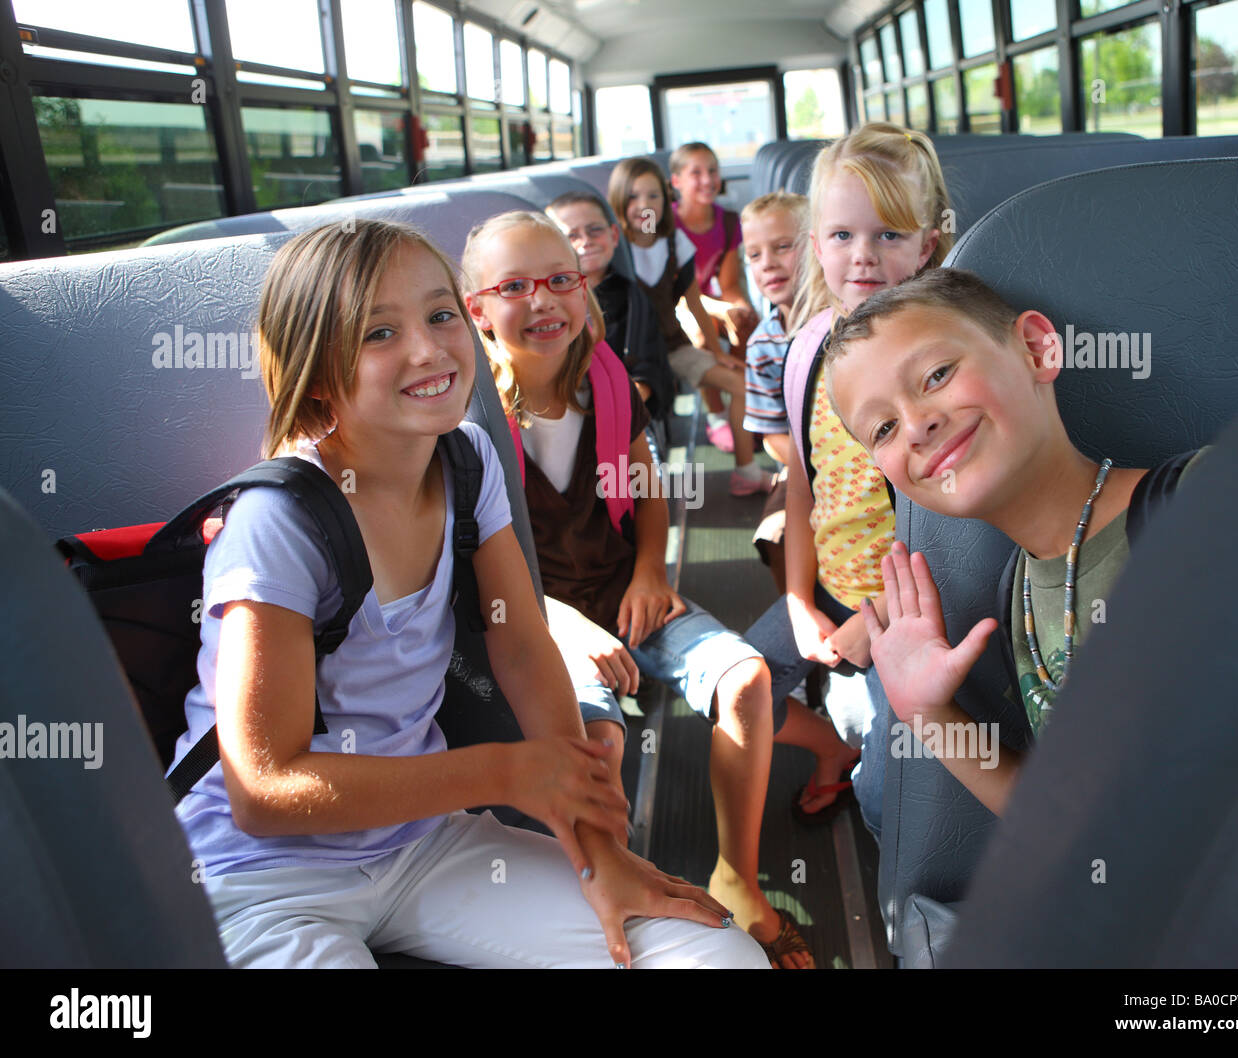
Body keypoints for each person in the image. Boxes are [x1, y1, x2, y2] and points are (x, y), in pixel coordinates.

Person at [171, 217, 767, 969]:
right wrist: (505, 773)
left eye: (440, 314)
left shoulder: (466, 459)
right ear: (317, 371)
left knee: (715, 954)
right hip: (264, 880)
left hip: (422, 843)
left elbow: (519, 645)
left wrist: (599, 852)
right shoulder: (278, 523)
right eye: (379, 333)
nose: (428, 349)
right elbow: (264, 789)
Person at [463, 209, 846, 968]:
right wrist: (567, 627)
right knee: (597, 736)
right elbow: (482, 576)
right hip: (536, 622)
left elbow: (644, 490)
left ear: (583, 288)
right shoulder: (471, 424)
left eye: (560, 280)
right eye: (514, 287)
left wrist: (648, 572)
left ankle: (737, 877)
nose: (543, 302)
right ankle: (615, 884)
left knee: (745, 678)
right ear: (477, 308)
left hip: (623, 587)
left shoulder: (604, 378)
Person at [824, 268, 1205, 815]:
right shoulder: (1018, 603)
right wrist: (931, 715)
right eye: (882, 429)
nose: (915, 426)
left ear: (1035, 349)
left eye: (936, 375)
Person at [742, 123, 952, 833]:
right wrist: (800, 600)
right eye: (841, 236)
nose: (862, 256)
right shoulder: (808, 350)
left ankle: (899, 899)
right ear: (815, 247)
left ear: (928, 245)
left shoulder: (941, 366)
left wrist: (877, 621)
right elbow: (804, 488)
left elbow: (964, 530)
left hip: (916, 610)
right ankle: (834, 748)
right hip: (830, 586)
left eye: (890, 236)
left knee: (887, 798)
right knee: (736, 692)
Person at [608, 156, 769, 497]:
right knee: (631, 406)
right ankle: (636, 494)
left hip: (674, 347)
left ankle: (747, 472)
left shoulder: (673, 243)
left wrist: (715, 352)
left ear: (665, 201)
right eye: (634, 197)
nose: (644, 205)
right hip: (632, 358)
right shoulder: (613, 248)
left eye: (653, 196)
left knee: (740, 384)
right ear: (620, 201)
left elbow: (694, 302)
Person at [545, 189, 675, 426]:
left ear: (614, 235)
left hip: (621, 413)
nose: (586, 241)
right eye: (571, 235)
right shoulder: (544, 306)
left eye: (595, 230)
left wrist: (612, 414)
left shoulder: (634, 300)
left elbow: (648, 371)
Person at [739, 190, 809, 592]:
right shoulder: (763, 345)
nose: (768, 263)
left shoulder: (844, 321)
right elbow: (772, 435)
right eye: (754, 255)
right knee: (774, 533)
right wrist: (811, 471)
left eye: (784, 247)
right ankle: (796, 605)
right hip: (800, 465)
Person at [669, 141, 759, 449]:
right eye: (696, 172)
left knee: (746, 321)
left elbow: (730, 283)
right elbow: (673, 292)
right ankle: (717, 415)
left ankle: (745, 404)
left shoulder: (729, 221)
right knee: (700, 328)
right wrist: (719, 310)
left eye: (712, 171)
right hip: (677, 304)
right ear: (676, 181)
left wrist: (738, 308)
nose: (707, 180)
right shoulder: (662, 223)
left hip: (711, 299)